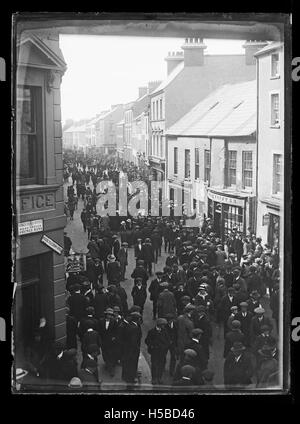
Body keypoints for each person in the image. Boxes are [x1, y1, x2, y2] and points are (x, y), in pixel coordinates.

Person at [145, 318, 171, 385]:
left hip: (162, 351)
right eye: (163, 325)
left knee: (161, 365)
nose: (164, 326)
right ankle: (154, 378)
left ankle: (159, 378)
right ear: (159, 324)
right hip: (155, 351)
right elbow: (147, 340)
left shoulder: (165, 331)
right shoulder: (151, 331)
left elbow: (168, 340)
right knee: (154, 364)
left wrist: (166, 347)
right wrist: (152, 345)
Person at [121, 312, 142, 388]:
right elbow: (133, 342)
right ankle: (130, 383)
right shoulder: (134, 328)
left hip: (128, 350)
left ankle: (129, 379)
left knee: (129, 366)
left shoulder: (130, 325)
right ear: (137, 319)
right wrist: (136, 349)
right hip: (132, 351)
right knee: (131, 366)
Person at [98, 308, 118, 377]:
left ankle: (111, 368)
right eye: (108, 314)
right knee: (104, 353)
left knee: (110, 354)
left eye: (111, 315)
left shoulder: (114, 321)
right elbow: (99, 330)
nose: (109, 316)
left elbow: (116, 331)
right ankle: (107, 363)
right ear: (105, 314)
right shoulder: (101, 321)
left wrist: (114, 337)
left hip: (111, 341)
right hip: (103, 340)